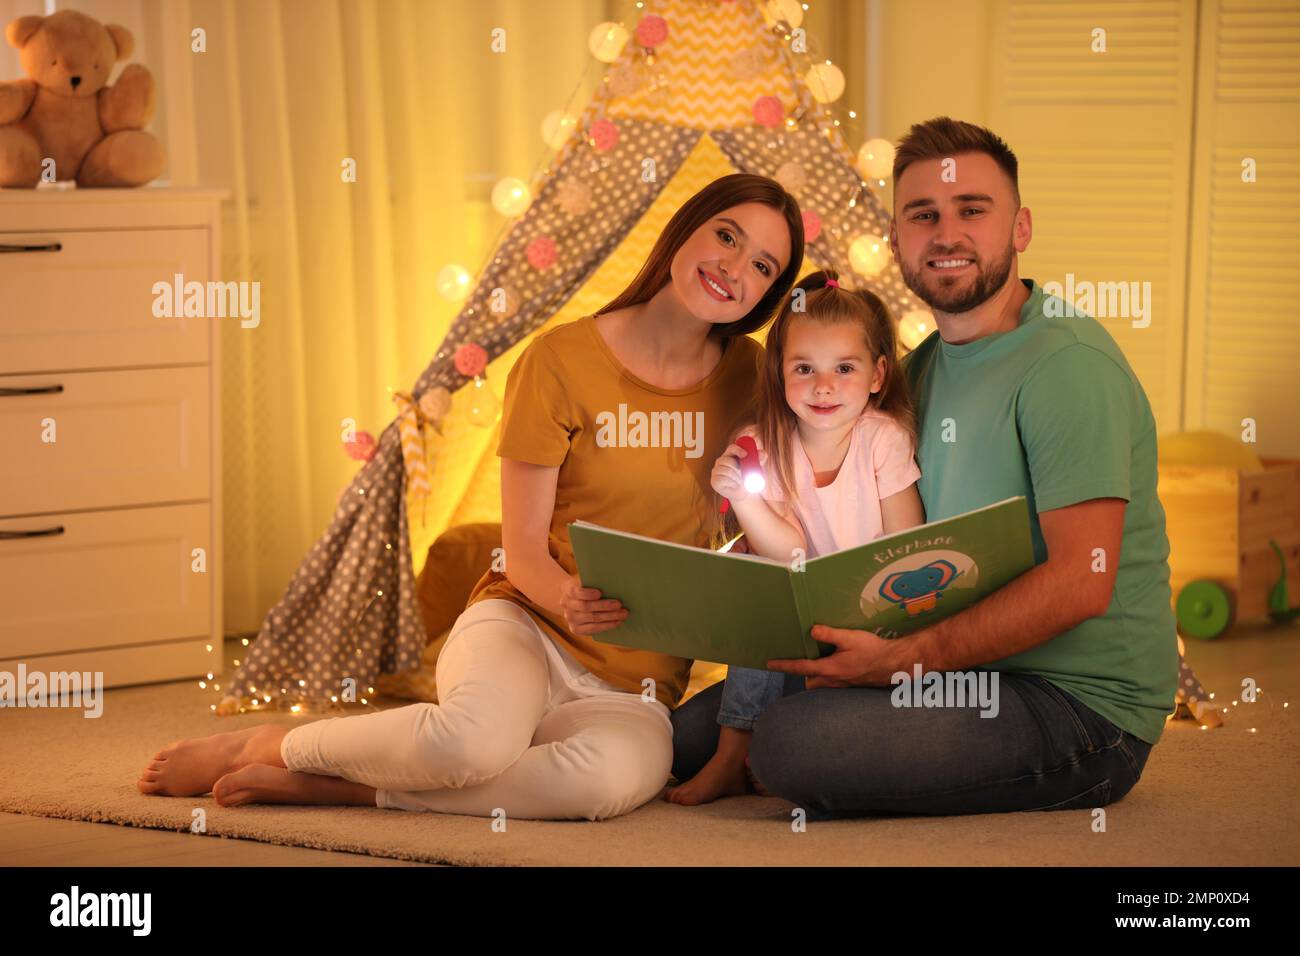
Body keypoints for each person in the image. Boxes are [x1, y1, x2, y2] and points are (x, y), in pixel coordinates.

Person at [137, 173, 805, 820]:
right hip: (528, 626)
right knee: (469, 744)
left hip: (640, 682)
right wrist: (568, 601)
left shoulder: (753, 380)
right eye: (726, 236)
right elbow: (521, 552)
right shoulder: (560, 360)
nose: (734, 267)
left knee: (606, 785)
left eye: (763, 266)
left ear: (767, 294)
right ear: (686, 229)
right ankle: (269, 744)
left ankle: (343, 791)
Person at [670, 117, 1179, 817]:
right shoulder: (915, 373)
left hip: (1075, 705)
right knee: (689, 734)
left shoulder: (1067, 366)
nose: (946, 233)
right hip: (949, 663)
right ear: (896, 241)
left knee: (789, 743)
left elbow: (1081, 584)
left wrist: (898, 663)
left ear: (1021, 228)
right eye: (922, 214)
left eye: (973, 210)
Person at [666, 269, 925, 805]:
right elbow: (789, 553)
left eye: (844, 368)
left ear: (877, 374)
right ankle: (733, 754)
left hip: (873, 623)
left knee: (796, 731)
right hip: (795, 626)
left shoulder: (883, 439)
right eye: (804, 368)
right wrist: (743, 497)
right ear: (780, 373)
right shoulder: (763, 442)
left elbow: (907, 542)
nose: (823, 386)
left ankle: (768, 743)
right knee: (679, 737)